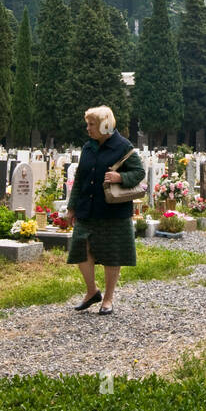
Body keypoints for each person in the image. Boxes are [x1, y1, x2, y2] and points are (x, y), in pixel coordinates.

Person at [67, 105, 144, 316]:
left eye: (91, 124)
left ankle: (108, 298)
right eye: (88, 124)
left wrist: (121, 178)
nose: (88, 128)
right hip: (87, 208)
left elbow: (139, 172)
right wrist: (72, 207)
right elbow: (81, 178)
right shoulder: (88, 147)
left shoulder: (123, 146)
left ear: (105, 125)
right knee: (81, 248)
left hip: (113, 211)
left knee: (112, 254)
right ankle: (92, 291)